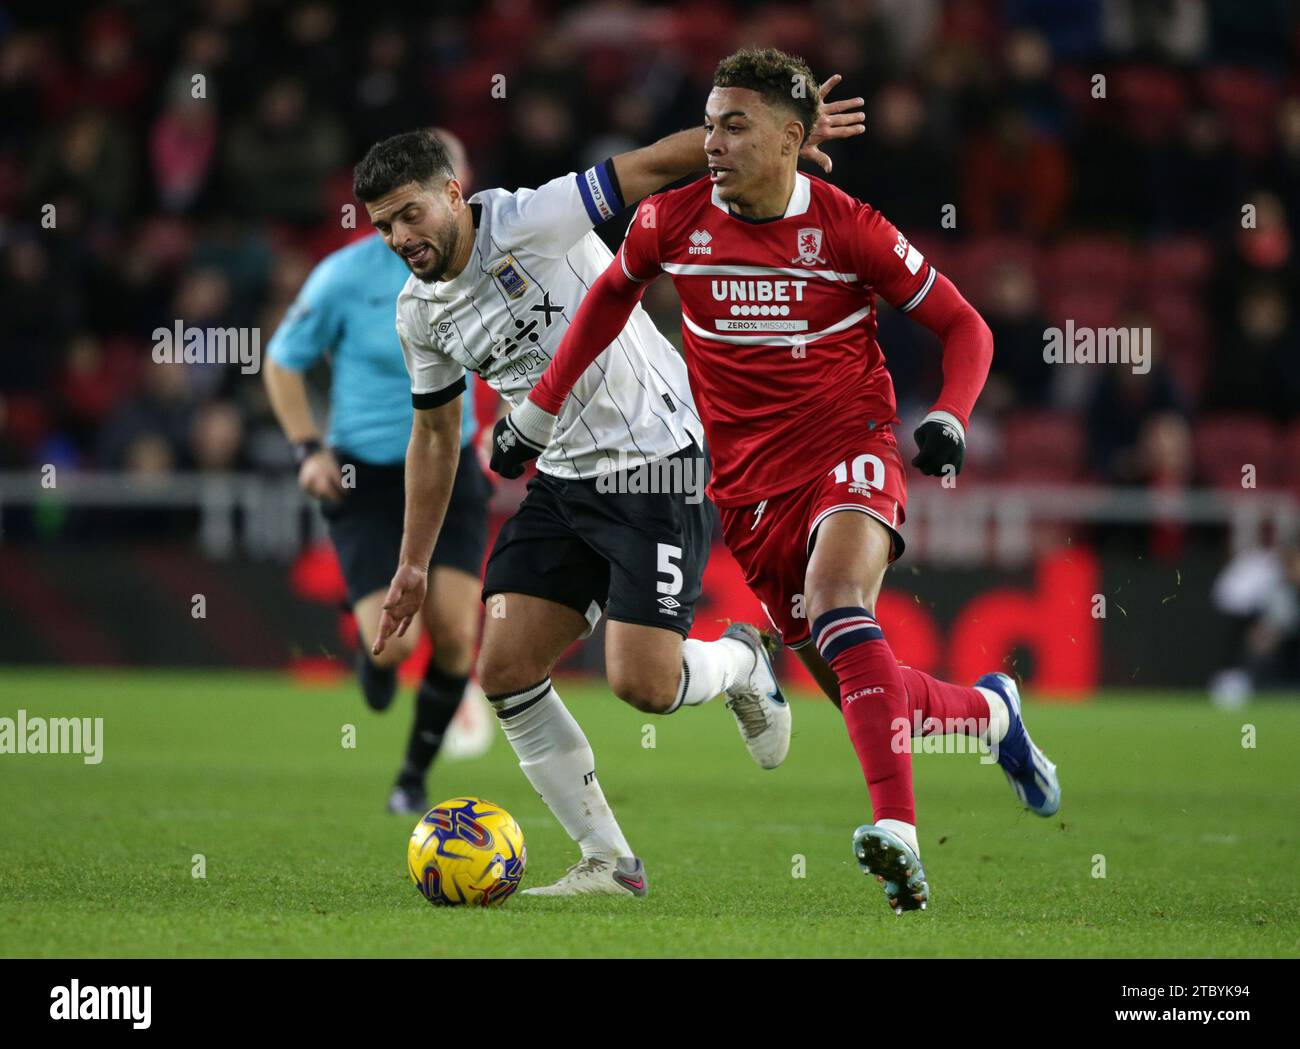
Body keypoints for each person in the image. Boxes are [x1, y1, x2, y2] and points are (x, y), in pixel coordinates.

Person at [493, 48, 1061, 914]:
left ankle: (897, 834)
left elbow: (967, 326)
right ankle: (991, 717)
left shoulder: (848, 227)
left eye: (734, 125)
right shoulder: (672, 222)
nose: (711, 143)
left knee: (841, 603)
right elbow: (608, 296)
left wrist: (949, 415)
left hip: (848, 445)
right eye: (709, 123)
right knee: (860, 684)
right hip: (747, 489)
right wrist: (537, 412)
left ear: (792, 139)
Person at [357, 83, 865, 897]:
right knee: (506, 667)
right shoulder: (420, 314)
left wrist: (765, 148)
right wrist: (413, 562)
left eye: (411, 213)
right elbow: (435, 434)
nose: (400, 237)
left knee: (643, 684)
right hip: (562, 479)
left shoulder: (530, 218)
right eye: (384, 226)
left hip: (656, 458)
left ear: (452, 191)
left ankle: (743, 662)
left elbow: (654, 165)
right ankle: (610, 863)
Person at [265, 130, 491, 816]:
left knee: (455, 634)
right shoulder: (344, 275)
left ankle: (412, 776)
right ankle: (374, 654)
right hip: (362, 475)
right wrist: (308, 448)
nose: (402, 229)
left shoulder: (490, 263)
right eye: (387, 218)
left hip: (449, 470)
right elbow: (282, 360)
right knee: (394, 647)